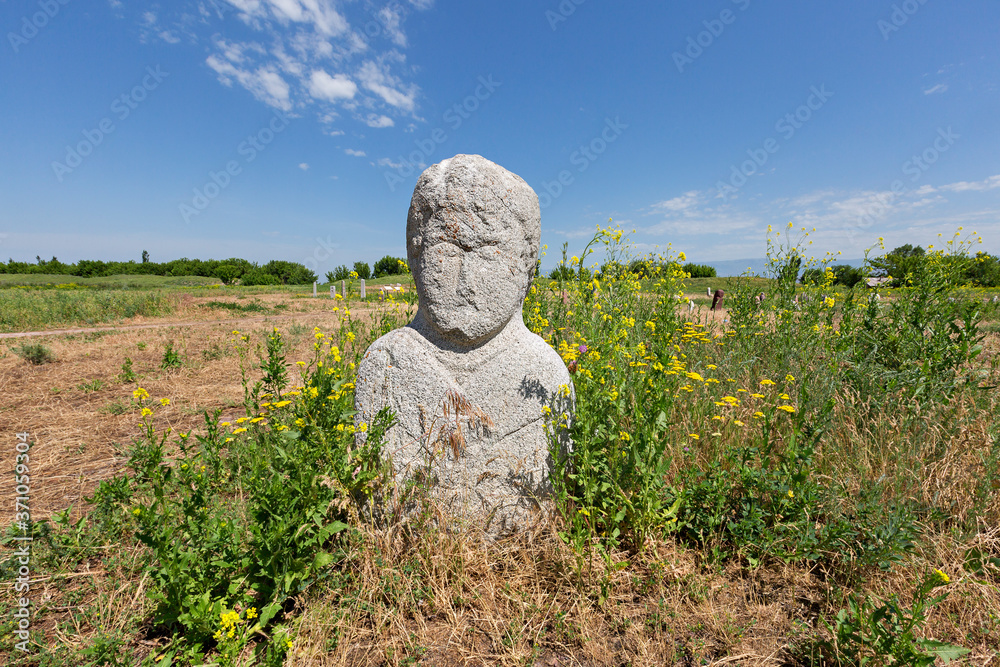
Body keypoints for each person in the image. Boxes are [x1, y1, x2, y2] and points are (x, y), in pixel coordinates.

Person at [355, 155, 572, 532]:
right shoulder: (386, 364)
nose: (467, 280)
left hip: (518, 563)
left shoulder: (544, 376)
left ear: (526, 265)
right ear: (415, 253)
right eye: (448, 250)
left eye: (488, 253)